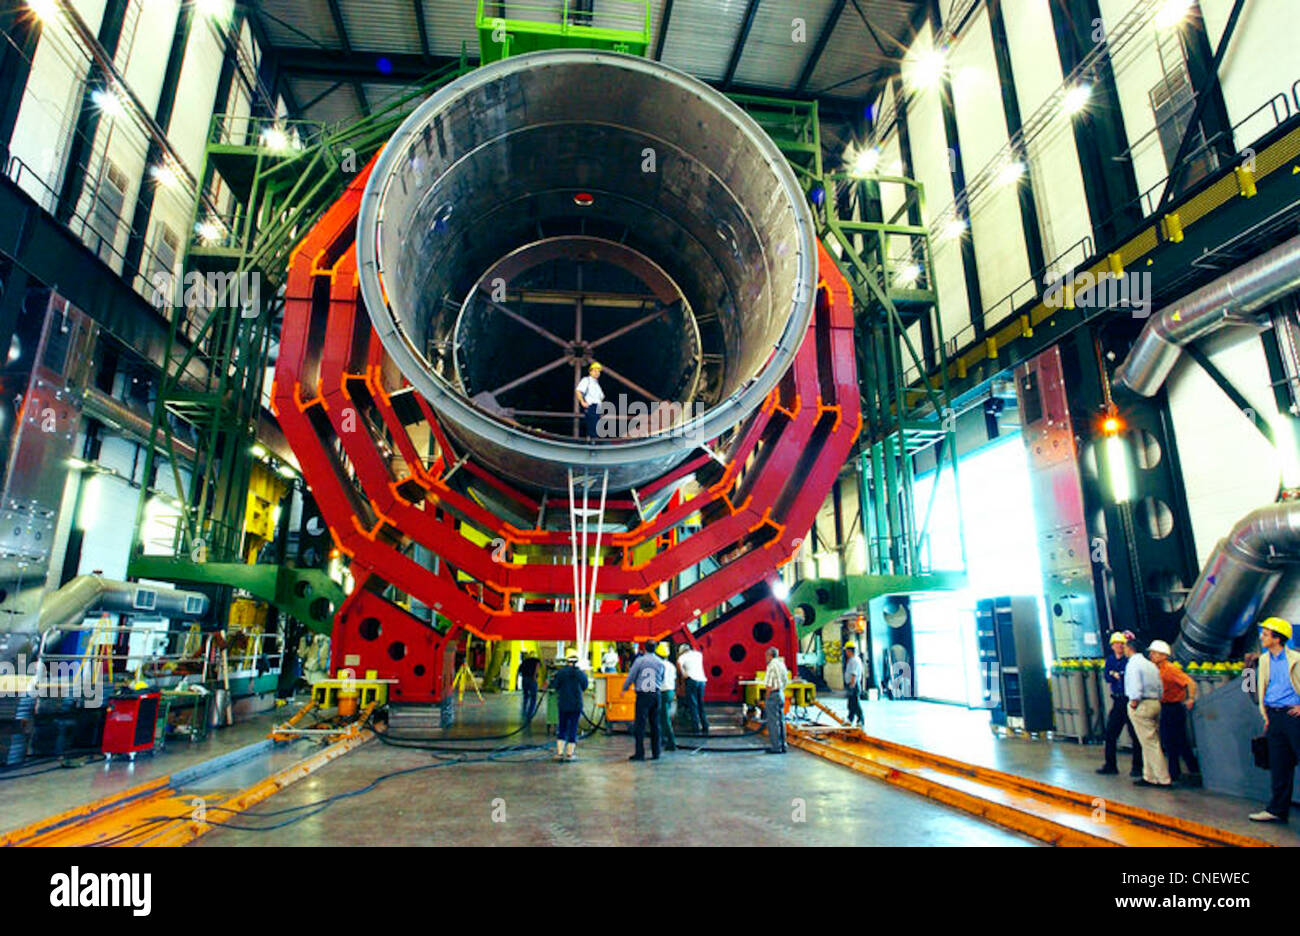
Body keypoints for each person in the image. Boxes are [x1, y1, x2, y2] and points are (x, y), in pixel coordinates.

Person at [1250, 617, 1300, 823]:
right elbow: (1254, 690)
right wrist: (1266, 716)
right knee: (1279, 765)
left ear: (1278, 639)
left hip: (1293, 717)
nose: (1262, 637)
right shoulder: (1263, 660)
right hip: (1274, 716)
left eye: (1266, 634)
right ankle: (1277, 810)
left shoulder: (1296, 659)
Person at [1147, 639, 1200, 785]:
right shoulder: (1155, 668)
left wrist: (1191, 698)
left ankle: (1177, 771)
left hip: (1174, 708)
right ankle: (1187, 768)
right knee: (1175, 741)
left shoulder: (1170, 669)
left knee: (1174, 740)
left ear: (1164, 655)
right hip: (1165, 706)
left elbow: (1190, 682)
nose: (1151, 655)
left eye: (1154, 653)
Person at [1124, 636, 1171, 787]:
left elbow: (1135, 685)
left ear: (1130, 648)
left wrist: (1133, 703)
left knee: (1150, 744)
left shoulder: (1133, 664)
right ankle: (1149, 776)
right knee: (1148, 741)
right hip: (1155, 703)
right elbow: (1160, 686)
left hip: (1142, 704)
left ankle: (1163, 779)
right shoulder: (1150, 665)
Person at [1098, 630, 1143, 777]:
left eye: (1121, 644)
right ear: (1112, 646)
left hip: (1129, 700)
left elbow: (1126, 677)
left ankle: (1138, 767)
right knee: (1110, 733)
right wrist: (1113, 675)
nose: (1119, 646)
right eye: (1116, 644)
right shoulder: (1110, 660)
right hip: (1117, 700)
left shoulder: (1129, 660)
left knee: (1134, 734)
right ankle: (1110, 765)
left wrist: (1117, 675)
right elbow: (1107, 676)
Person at [623, 640, 664, 761]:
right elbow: (662, 677)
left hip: (643, 695)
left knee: (640, 725)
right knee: (655, 724)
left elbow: (631, 676)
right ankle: (656, 753)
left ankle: (640, 753)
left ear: (645, 648)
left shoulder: (639, 661)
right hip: (655, 694)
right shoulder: (660, 662)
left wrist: (624, 688)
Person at [551, 652, 588, 762]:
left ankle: (559, 752)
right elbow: (585, 686)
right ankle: (570, 754)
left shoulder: (561, 673)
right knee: (573, 727)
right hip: (576, 705)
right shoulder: (581, 674)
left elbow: (555, 685)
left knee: (562, 727)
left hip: (563, 703)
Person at [677, 642, 708, 735]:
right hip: (702, 681)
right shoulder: (698, 655)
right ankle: (705, 725)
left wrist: (683, 674)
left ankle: (695, 727)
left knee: (693, 704)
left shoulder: (683, 657)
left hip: (692, 680)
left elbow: (678, 663)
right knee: (700, 704)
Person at [763, 647, 790, 754]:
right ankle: (783, 745)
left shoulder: (771, 665)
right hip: (781, 694)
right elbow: (786, 680)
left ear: (770, 655)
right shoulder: (781, 664)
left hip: (773, 695)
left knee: (773, 722)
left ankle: (776, 747)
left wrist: (767, 697)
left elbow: (769, 684)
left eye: (766, 656)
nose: (765, 658)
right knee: (781, 721)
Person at [656, 642, 677, 752]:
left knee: (664, 718)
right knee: (663, 716)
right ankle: (663, 739)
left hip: (663, 692)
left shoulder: (659, 665)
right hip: (670, 691)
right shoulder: (671, 665)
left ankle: (671, 742)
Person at [575, 362, 605, 439]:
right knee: (592, 428)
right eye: (595, 371)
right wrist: (582, 402)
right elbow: (578, 390)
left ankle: (594, 443)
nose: (597, 373)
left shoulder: (597, 384)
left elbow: (601, 396)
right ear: (590, 371)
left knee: (596, 428)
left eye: (598, 371)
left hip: (598, 408)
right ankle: (592, 444)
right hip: (591, 406)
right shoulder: (586, 380)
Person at [843, 641, 864, 728]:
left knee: (855, 704)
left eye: (846, 650)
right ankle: (850, 719)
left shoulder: (854, 661)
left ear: (849, 651)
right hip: (853, 685)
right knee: (851, 704)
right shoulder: (852, 660)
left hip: (854, 685)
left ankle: (861, 720)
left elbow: (854, 674)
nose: (845, 652)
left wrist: (852, 685)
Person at [518, 652, 543, 727]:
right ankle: (530, 714)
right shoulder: (536, 661)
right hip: (532, 680)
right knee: (533, 697)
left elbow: (519, 671)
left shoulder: (525, 661)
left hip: (524, 679)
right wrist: (534, 677)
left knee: (525, 696)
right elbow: (536, 669)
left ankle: (524, 711)